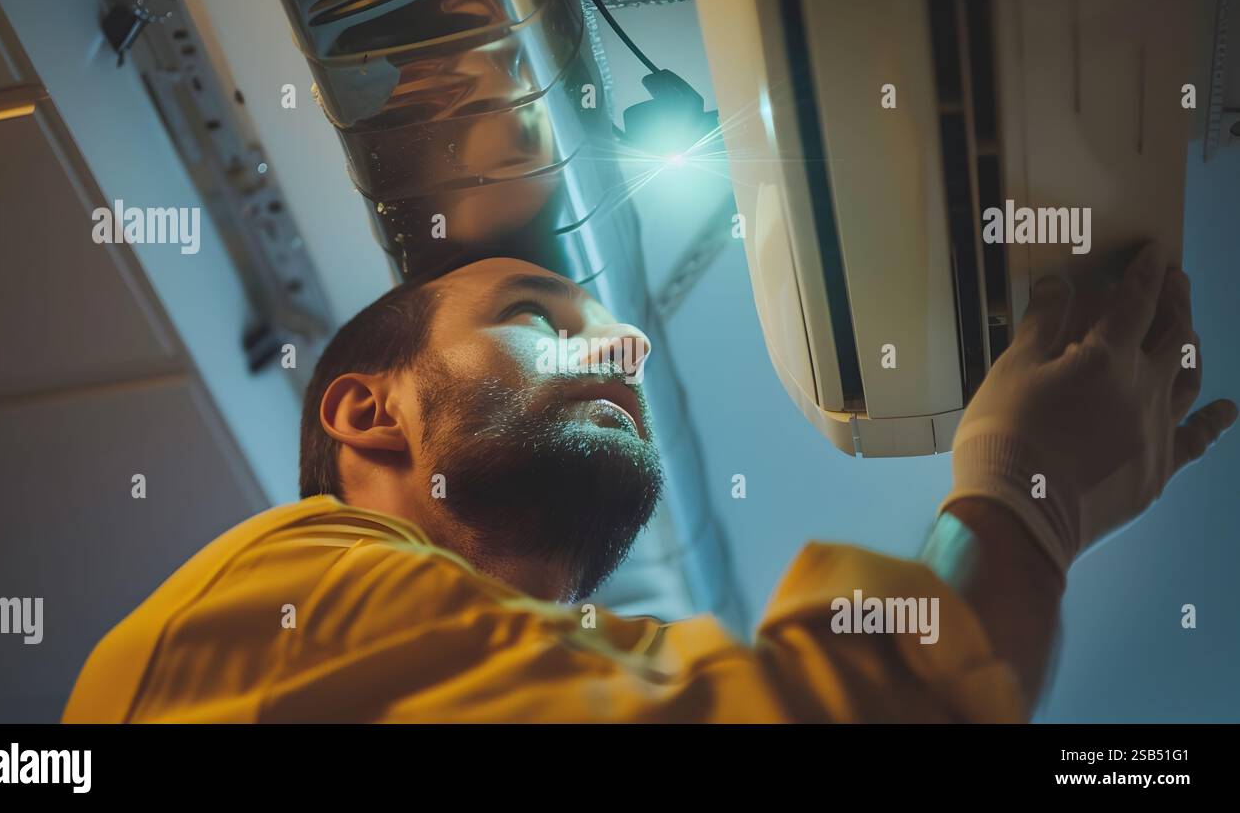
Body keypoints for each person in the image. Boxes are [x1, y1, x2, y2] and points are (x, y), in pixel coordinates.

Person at [62, 246, 1235, 722]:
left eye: (617, 331)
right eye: (538, 318)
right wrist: (1025, 500)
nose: (624, 345)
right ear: (368, 409)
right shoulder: (280, 593)